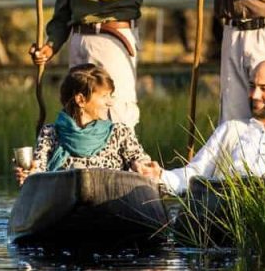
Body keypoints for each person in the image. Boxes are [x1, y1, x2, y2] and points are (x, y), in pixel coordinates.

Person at [157, 59, 265, 194]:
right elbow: (194, 174)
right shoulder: (231, 130)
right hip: (229, 219)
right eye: (252, 86)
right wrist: (160, 176)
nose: (255, 95)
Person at [14, 63, 162, 184]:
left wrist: (144, 167)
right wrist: (29, 174)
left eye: (111, 96)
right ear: (81, 100)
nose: (110, 103)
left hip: (109, 205)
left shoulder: (119, 132)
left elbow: (138, 157)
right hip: (63, 205)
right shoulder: (50, 133)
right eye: (104, 96)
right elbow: (39, 170)